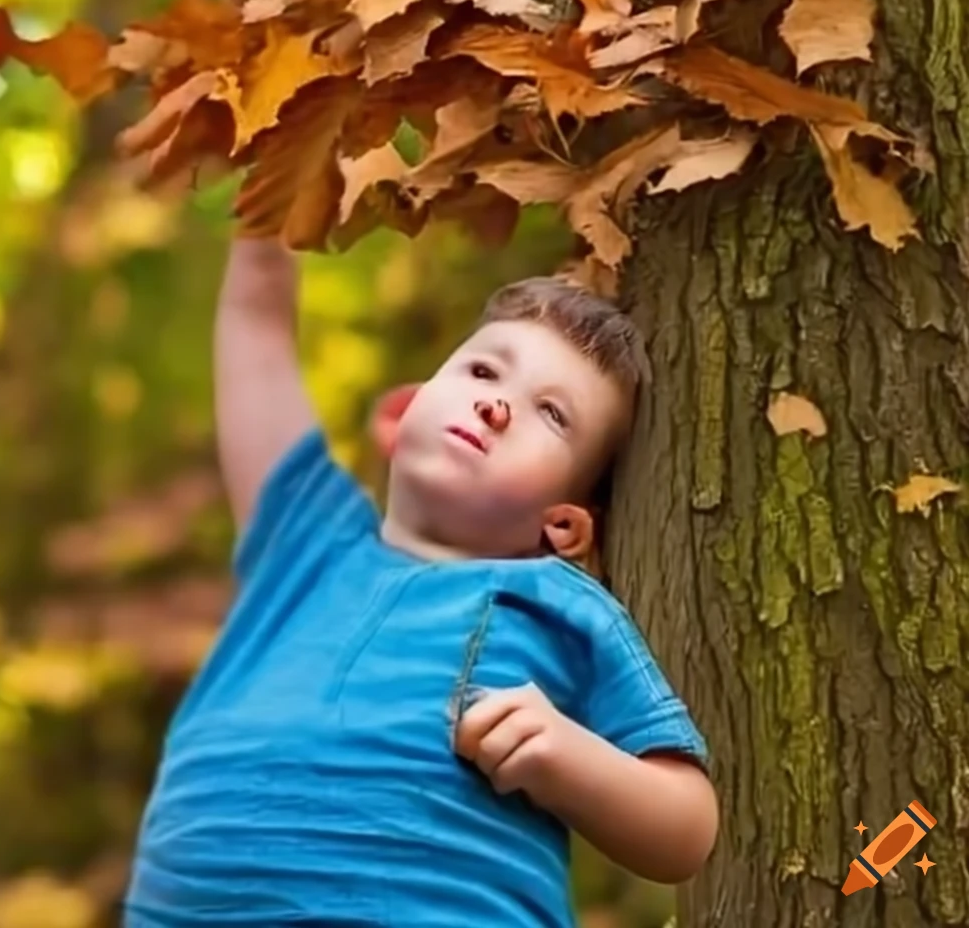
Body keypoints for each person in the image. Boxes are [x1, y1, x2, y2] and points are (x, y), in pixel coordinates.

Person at [124, 234, 718, 927]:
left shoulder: (559, 604)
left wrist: (566, 756)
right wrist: (276, 174)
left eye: (551, 414)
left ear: (564, 525)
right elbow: (254, 319)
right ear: (404, 412)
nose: (497, 406)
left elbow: (688, 829)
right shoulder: (304, 539)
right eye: (484, 372)